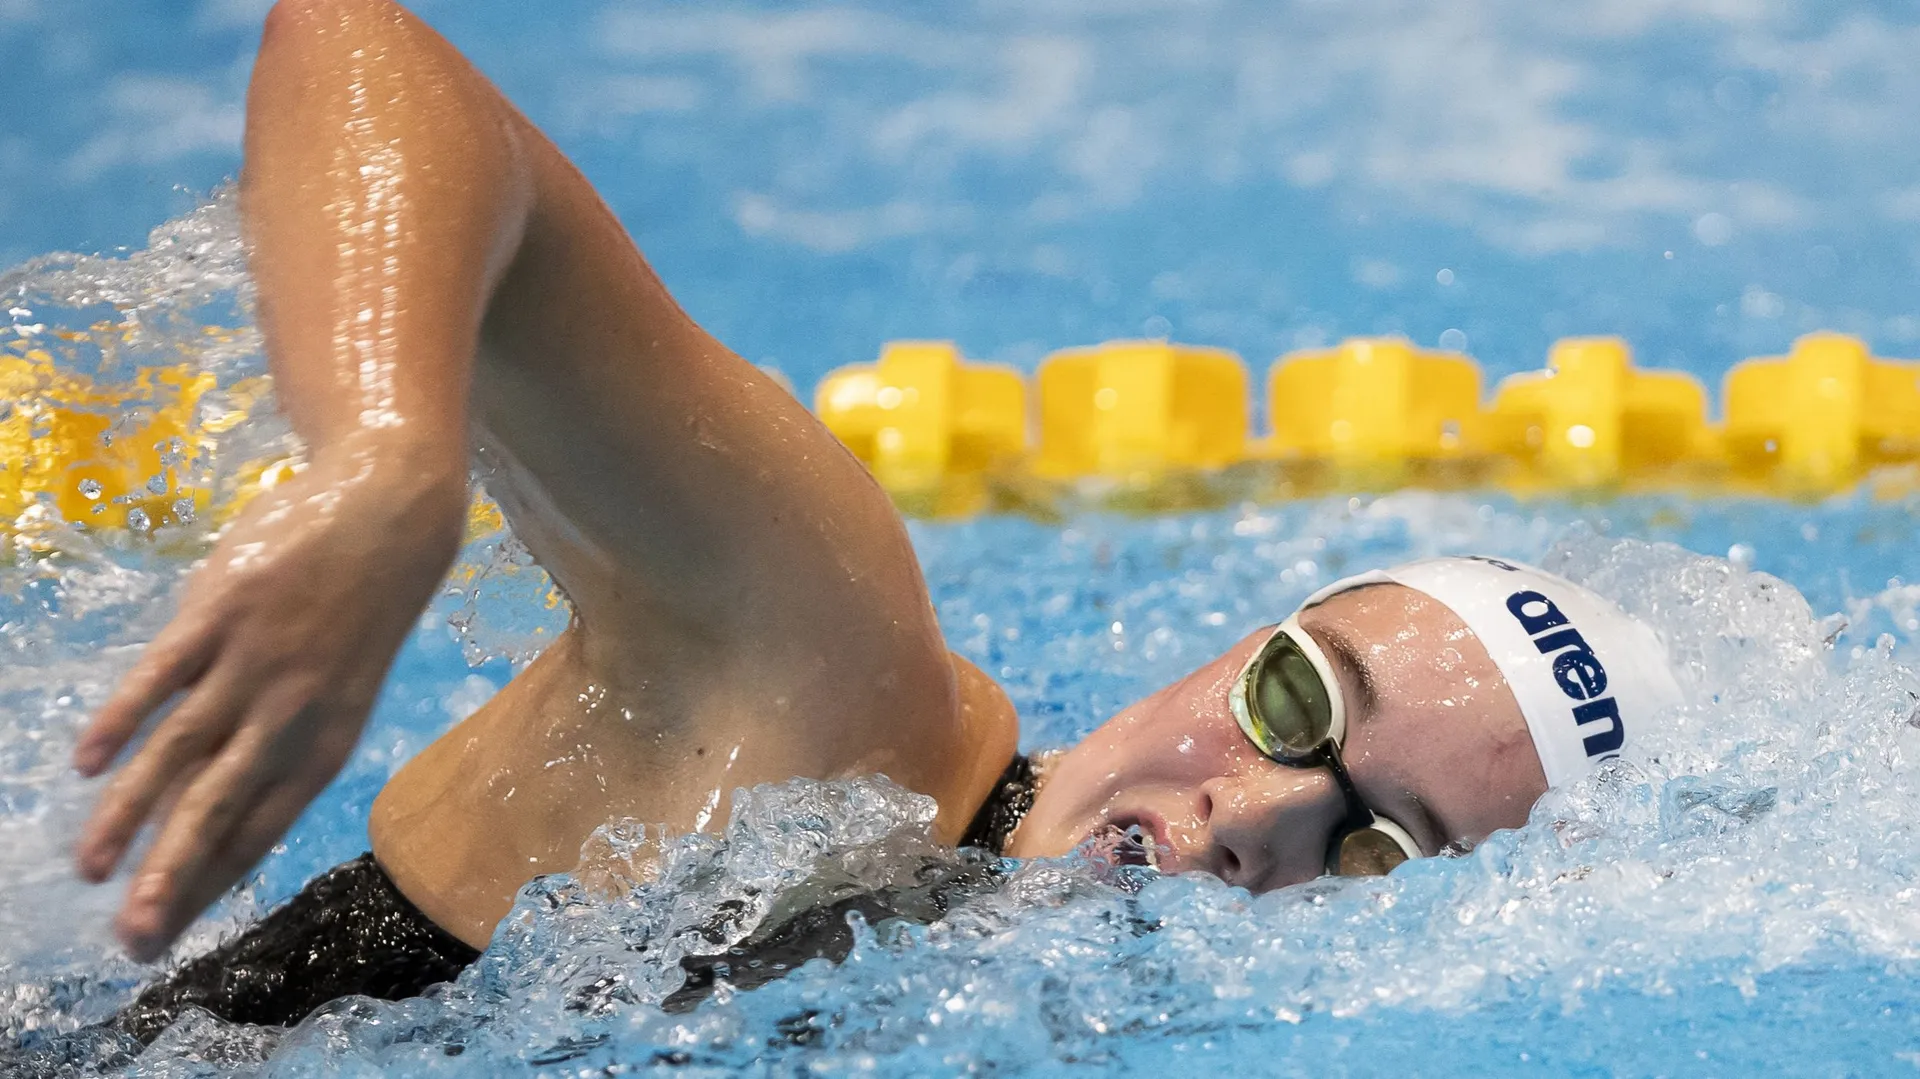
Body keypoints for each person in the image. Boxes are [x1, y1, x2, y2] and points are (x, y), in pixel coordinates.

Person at [56, 0, 1683, 1039]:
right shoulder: (825, 683)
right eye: (1293, 700)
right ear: (1237, 644)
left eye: (1380, 848)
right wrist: (387, 455)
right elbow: (363, 54)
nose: (1260, 817)